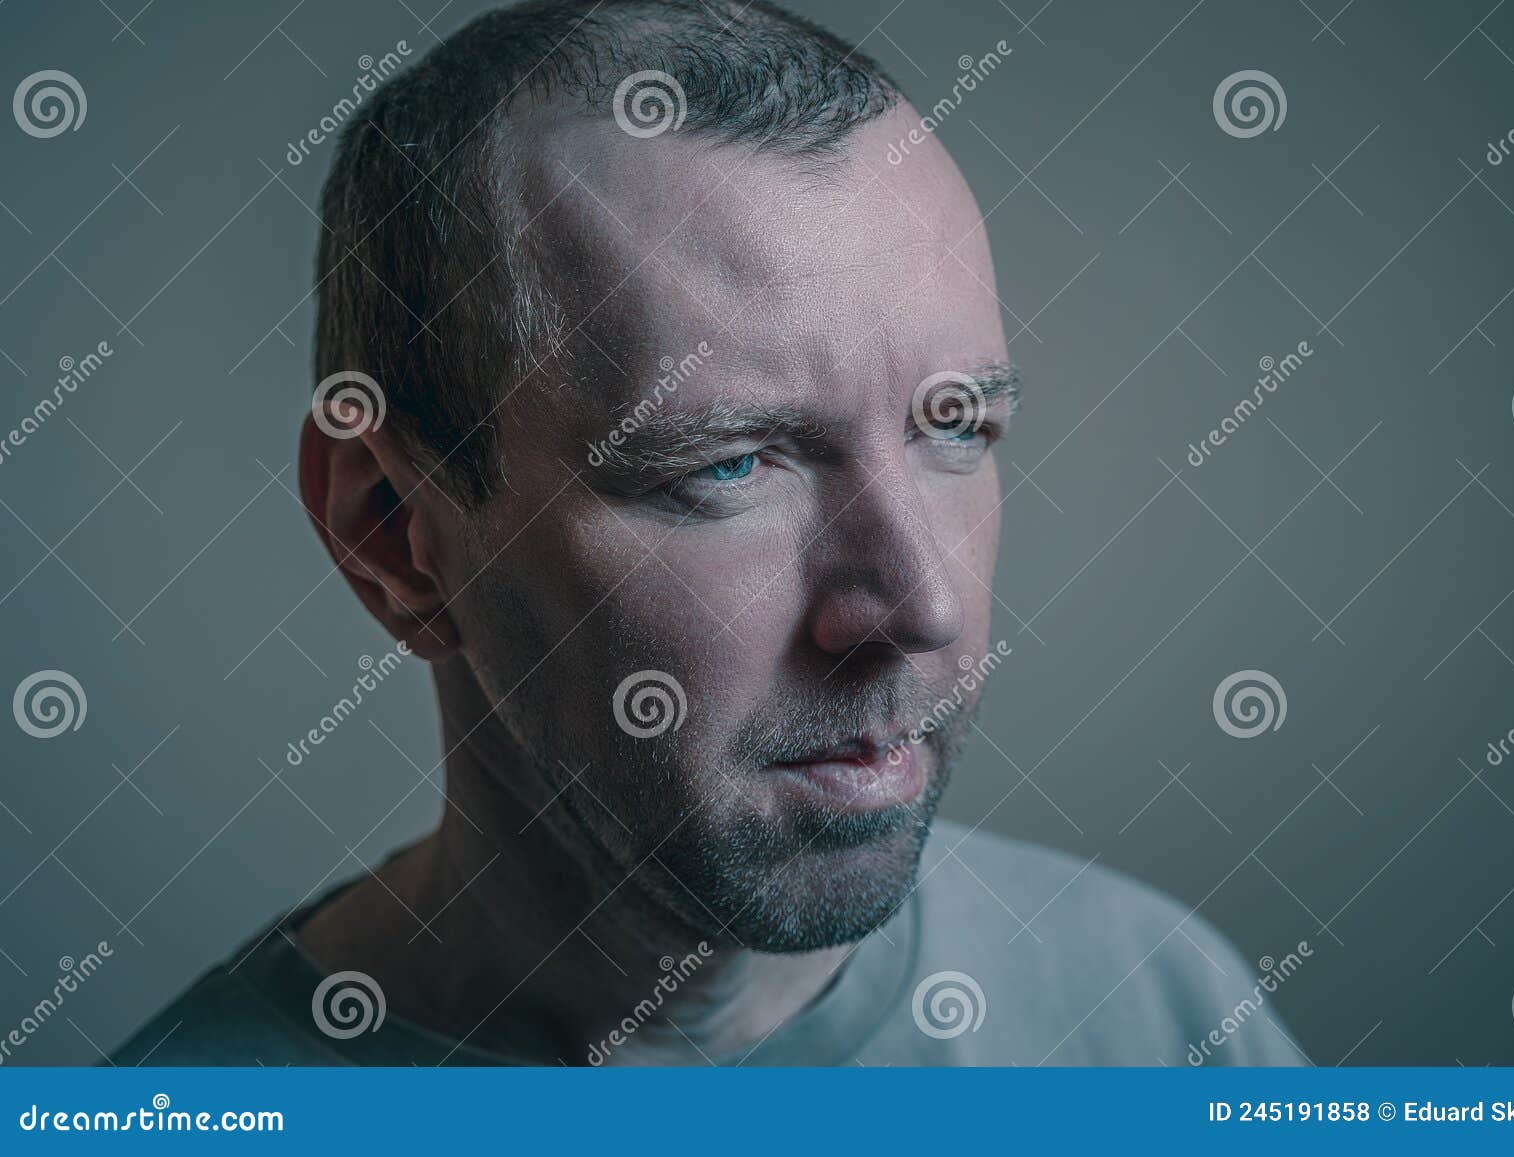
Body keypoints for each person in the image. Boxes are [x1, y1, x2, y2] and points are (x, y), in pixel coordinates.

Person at [109, 0, 1304, 1067]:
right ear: (392, 535)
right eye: (729, 464)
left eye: (954, 429)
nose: (922, 606)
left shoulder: (1157, 1016)